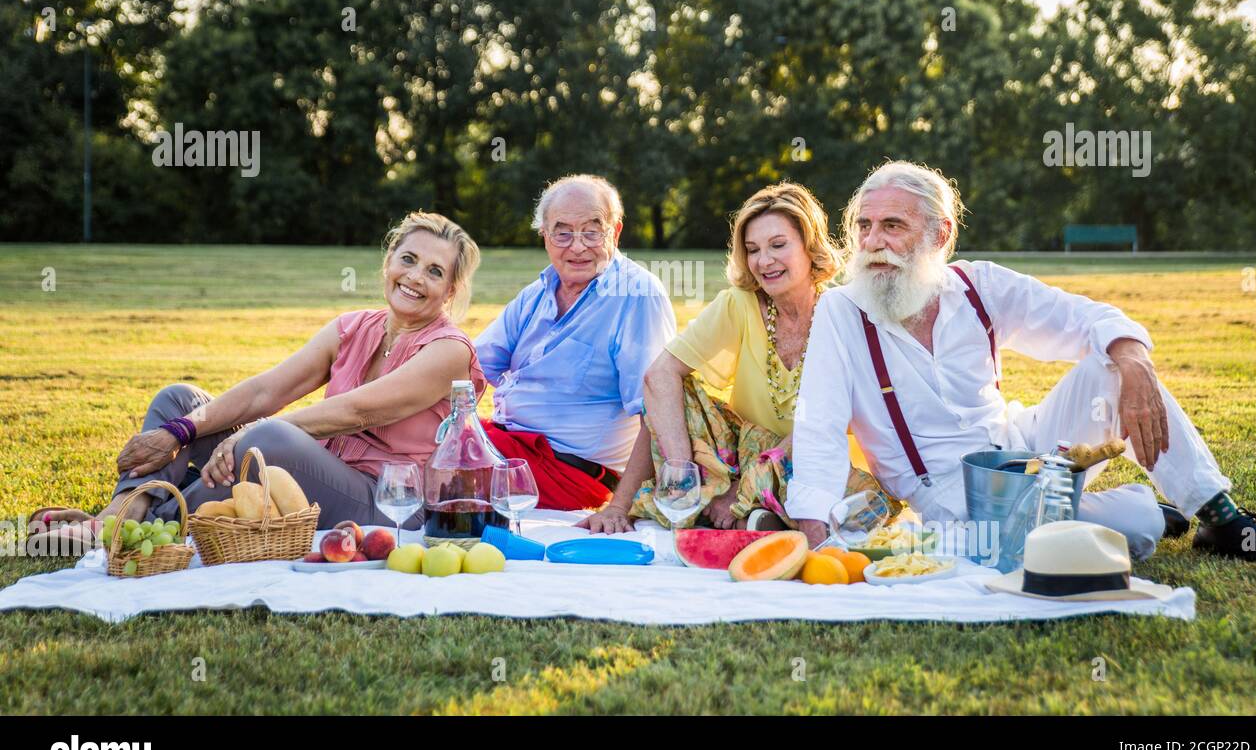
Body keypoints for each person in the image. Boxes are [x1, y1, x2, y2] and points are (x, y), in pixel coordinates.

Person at [784, 160, 1256, 565]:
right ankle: (1133, 511)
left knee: (1113, 364)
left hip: (1024, 446)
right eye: (864, 226)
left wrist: (1135, 361)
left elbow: (1085, 318)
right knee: (1136, 526)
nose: (873, 243)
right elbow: (820, 425)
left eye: (892, 226)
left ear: (940, 235)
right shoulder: (841, 310)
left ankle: (1222, 519)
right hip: (952, 499)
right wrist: (814, 531)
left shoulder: (977, 286)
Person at [28, 212, 487, 553]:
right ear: (389, 261)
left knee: (268, 437)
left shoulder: (450, 351)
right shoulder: (353, 327)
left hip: (385, 500)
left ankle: (143, 523)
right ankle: (118, 515)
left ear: (450, 290)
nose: (414, 277)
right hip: (312, 471)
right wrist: (180, 432)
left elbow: (357, 411)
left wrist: (251, 436)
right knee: (181, 400)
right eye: (408, 259)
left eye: (434, 271)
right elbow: (265, 391)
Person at [583, 182, 884, 534]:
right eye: (753, 249)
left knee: (867, 508)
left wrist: (742, 493)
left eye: (778, 245)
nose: (763, 261)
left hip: (803, 463)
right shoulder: (738, 303)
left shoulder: (842, 314)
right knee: (673, 393)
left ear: (810, 246)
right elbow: (659, 376)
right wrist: (682, 474)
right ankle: (726, 507)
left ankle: (749, 514)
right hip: (734, 460)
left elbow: (818, 428)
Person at [475, 174, 677, 510]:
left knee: (430, 461)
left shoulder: (636, 295)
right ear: (545, 236)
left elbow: (657, 413)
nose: (578, 246)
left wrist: (619, 508)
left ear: (615, 232)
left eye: (592, 231)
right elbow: (472, 366)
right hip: (510, 446)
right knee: (417, 435)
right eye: (563, 232)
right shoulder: (538, 292)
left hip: (569, 472)